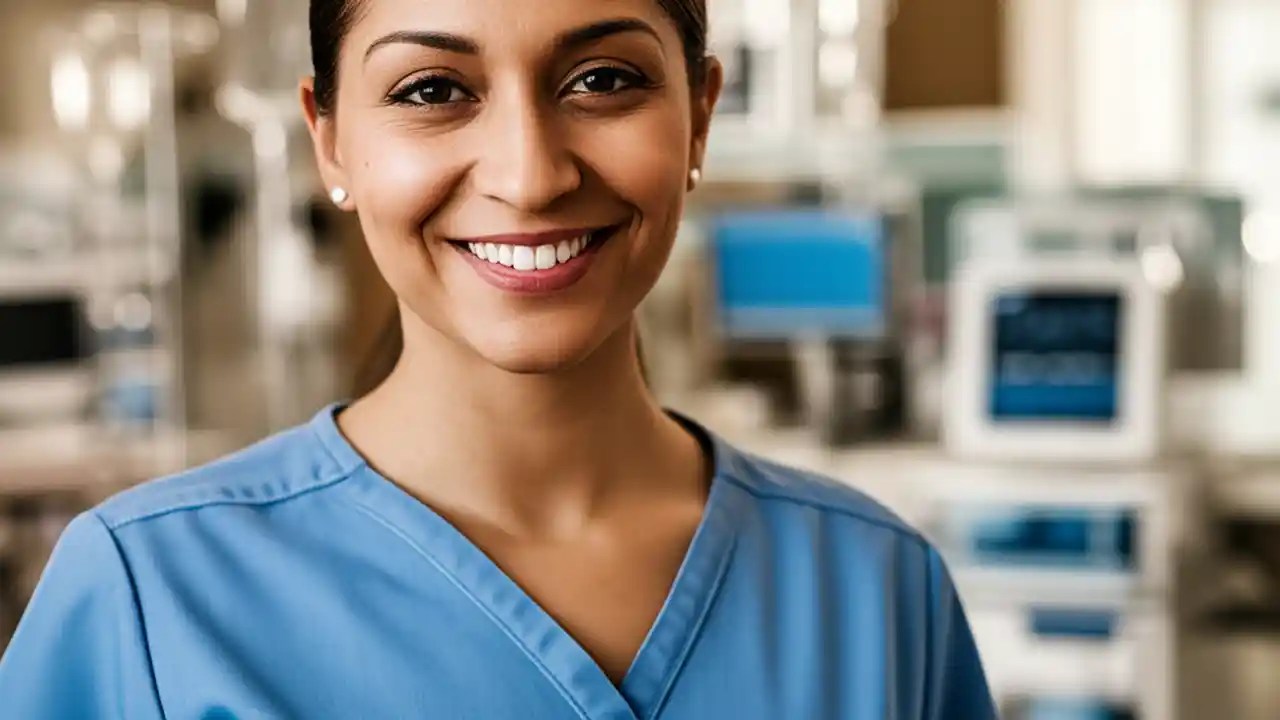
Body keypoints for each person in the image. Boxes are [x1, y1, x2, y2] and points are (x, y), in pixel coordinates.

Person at [0, 0, 997, 717]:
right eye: (432, 89)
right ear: (331, 141)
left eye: (601, 80)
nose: (529, 175)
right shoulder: (149, 596)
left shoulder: (872, 587)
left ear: (697, 114)